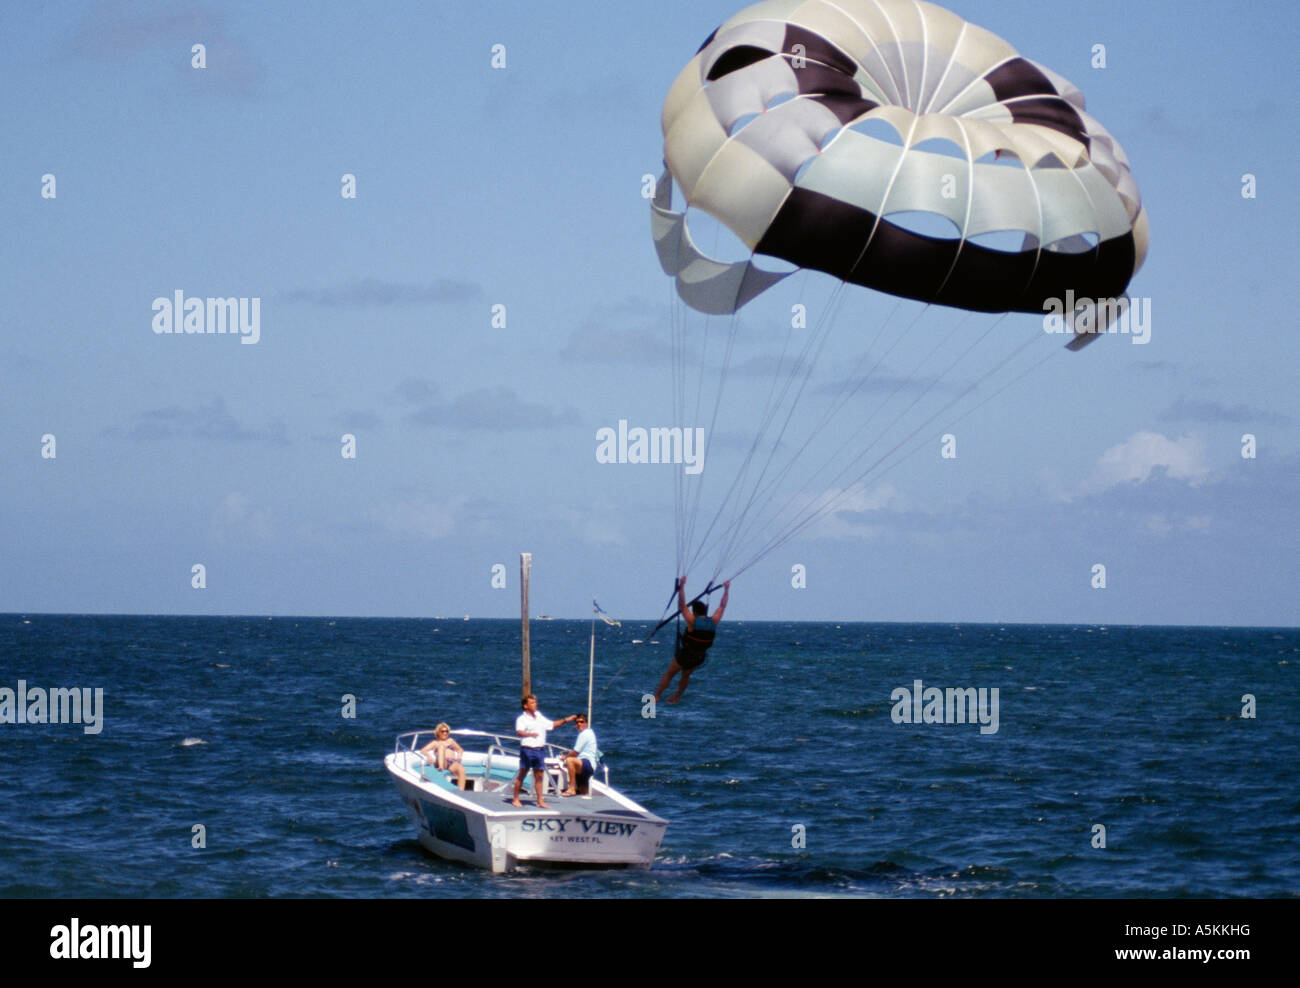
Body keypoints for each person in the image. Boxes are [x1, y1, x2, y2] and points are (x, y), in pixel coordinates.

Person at [654, 576, 729, 703]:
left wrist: (682, 587)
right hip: (699, 657)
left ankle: (656, 696)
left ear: (694, 611)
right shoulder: (714, 621)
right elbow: (722, 606)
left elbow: (682, 605)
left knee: (670, 674)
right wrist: (726, 590)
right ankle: (677, 696)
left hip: (686, 655)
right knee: (685, 675)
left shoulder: (692, 621)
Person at [512, 694, 576, 809]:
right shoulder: (521, 719)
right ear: (525, 706)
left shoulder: (539, 716)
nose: (535, 704)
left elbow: (552, 725)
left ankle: (540, 801)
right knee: (522, 774)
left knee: (539, 776)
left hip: (539, 750)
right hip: (527, 750)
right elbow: (519, 732)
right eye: (532, 703)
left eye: (535, 702)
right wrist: (529, 734)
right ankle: (515, 799)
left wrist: (566, 720)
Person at [418, 722, 467, 790]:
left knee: (461, 770)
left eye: (447, 731)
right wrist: (429, 756)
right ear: (438, 732)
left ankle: (461, 791)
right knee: (441, 747)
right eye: (443, 731)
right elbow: (423, 750)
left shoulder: (450, 741)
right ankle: (441, 767)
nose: (445, 733)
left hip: (451, 762)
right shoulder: (435, 743)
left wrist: (459, 756)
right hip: (442, 761)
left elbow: (459, 749)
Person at [561, 714, 599, 797]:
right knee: (583, 791)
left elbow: (575, 752)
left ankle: (571, 789)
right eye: (577, 722)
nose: (579, 724)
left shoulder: (584, 734)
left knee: (570, 760)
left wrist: (565, 757)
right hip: (585, 764)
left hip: (587, 763)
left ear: (587, 723)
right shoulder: (589, 733)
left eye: (581, 722)